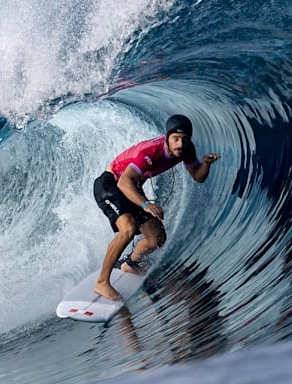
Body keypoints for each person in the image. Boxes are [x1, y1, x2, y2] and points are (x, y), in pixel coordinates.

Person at [93, 114, 220, 301]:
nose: (180, 144)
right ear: (167, 137)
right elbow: (124, 182)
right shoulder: (150, 152)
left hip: (132, 188)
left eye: (184, 139)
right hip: (110, 184)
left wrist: (206, 164)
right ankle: (102, 282)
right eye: (175, 139)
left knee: (156, 238)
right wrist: (146, 204)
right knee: (128, 229)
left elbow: (198, 176)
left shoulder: (186, 149)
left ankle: (130, 263)